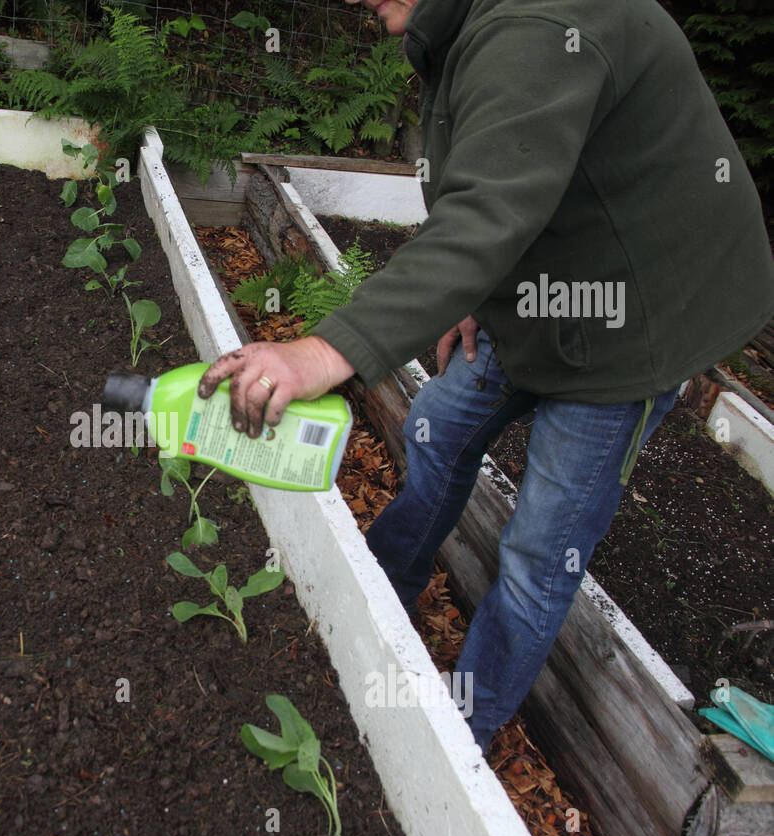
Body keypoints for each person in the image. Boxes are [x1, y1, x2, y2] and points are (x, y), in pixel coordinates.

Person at [197, 0, 774, 752]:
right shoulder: (457, 18)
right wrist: (471, 290)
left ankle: (459, 736)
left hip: (637, 314)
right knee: (438, 428)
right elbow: (494, 175)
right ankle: (380, 591)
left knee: (539, 549)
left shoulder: (537, 25)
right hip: (551, 273)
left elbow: (488, 210)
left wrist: (321, 352)